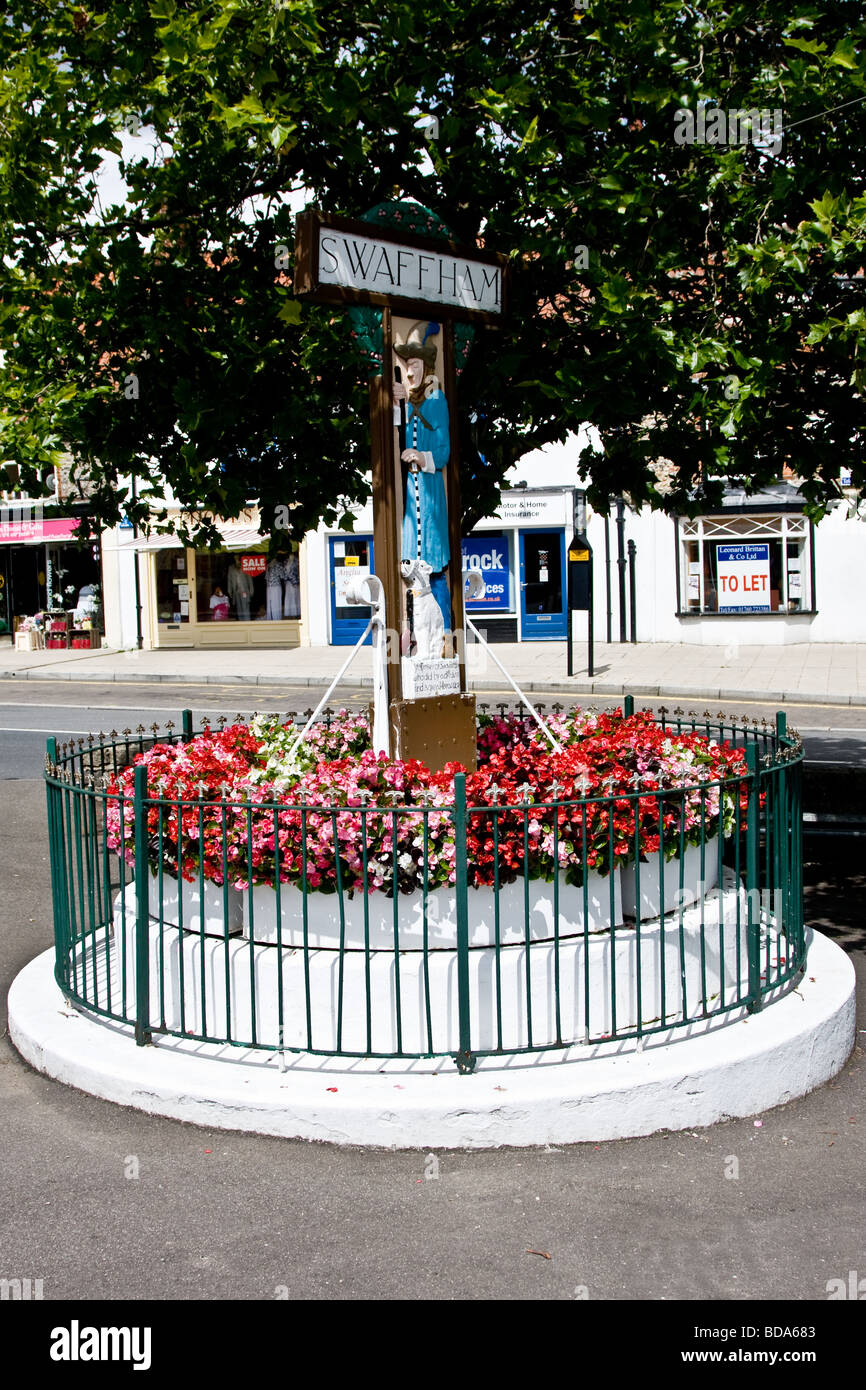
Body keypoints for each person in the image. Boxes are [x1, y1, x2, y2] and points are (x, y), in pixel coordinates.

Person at [393, 329, 451, 628]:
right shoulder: (409, 399)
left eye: (414, 364)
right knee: (413, 572)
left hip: (429, 493)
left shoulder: (436, 399)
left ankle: (445, 639)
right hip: (411, 497)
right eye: (407, 365)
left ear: (426, 367)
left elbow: (443, 453)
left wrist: (419, 455)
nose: (410, 370)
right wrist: (398, 404)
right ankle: (417, 636)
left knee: (436, 571)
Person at [265, 556, 286, 621]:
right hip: (269, 587)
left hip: (276, 586)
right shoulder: (268, 566)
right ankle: (269, 619)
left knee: (276, 603)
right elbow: (266, 577)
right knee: (269, 604)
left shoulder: (279, 565)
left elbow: (283, 576)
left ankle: (277, 619)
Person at [282, 551, 300, 619]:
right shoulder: (286, 561)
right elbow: (284, 572)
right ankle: (289, 613)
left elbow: (298, 571)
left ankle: (296, 613)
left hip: (294, 582)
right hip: (288, 582)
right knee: (289, 597)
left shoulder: (297, 561)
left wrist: (297, 580)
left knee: (295, 597)